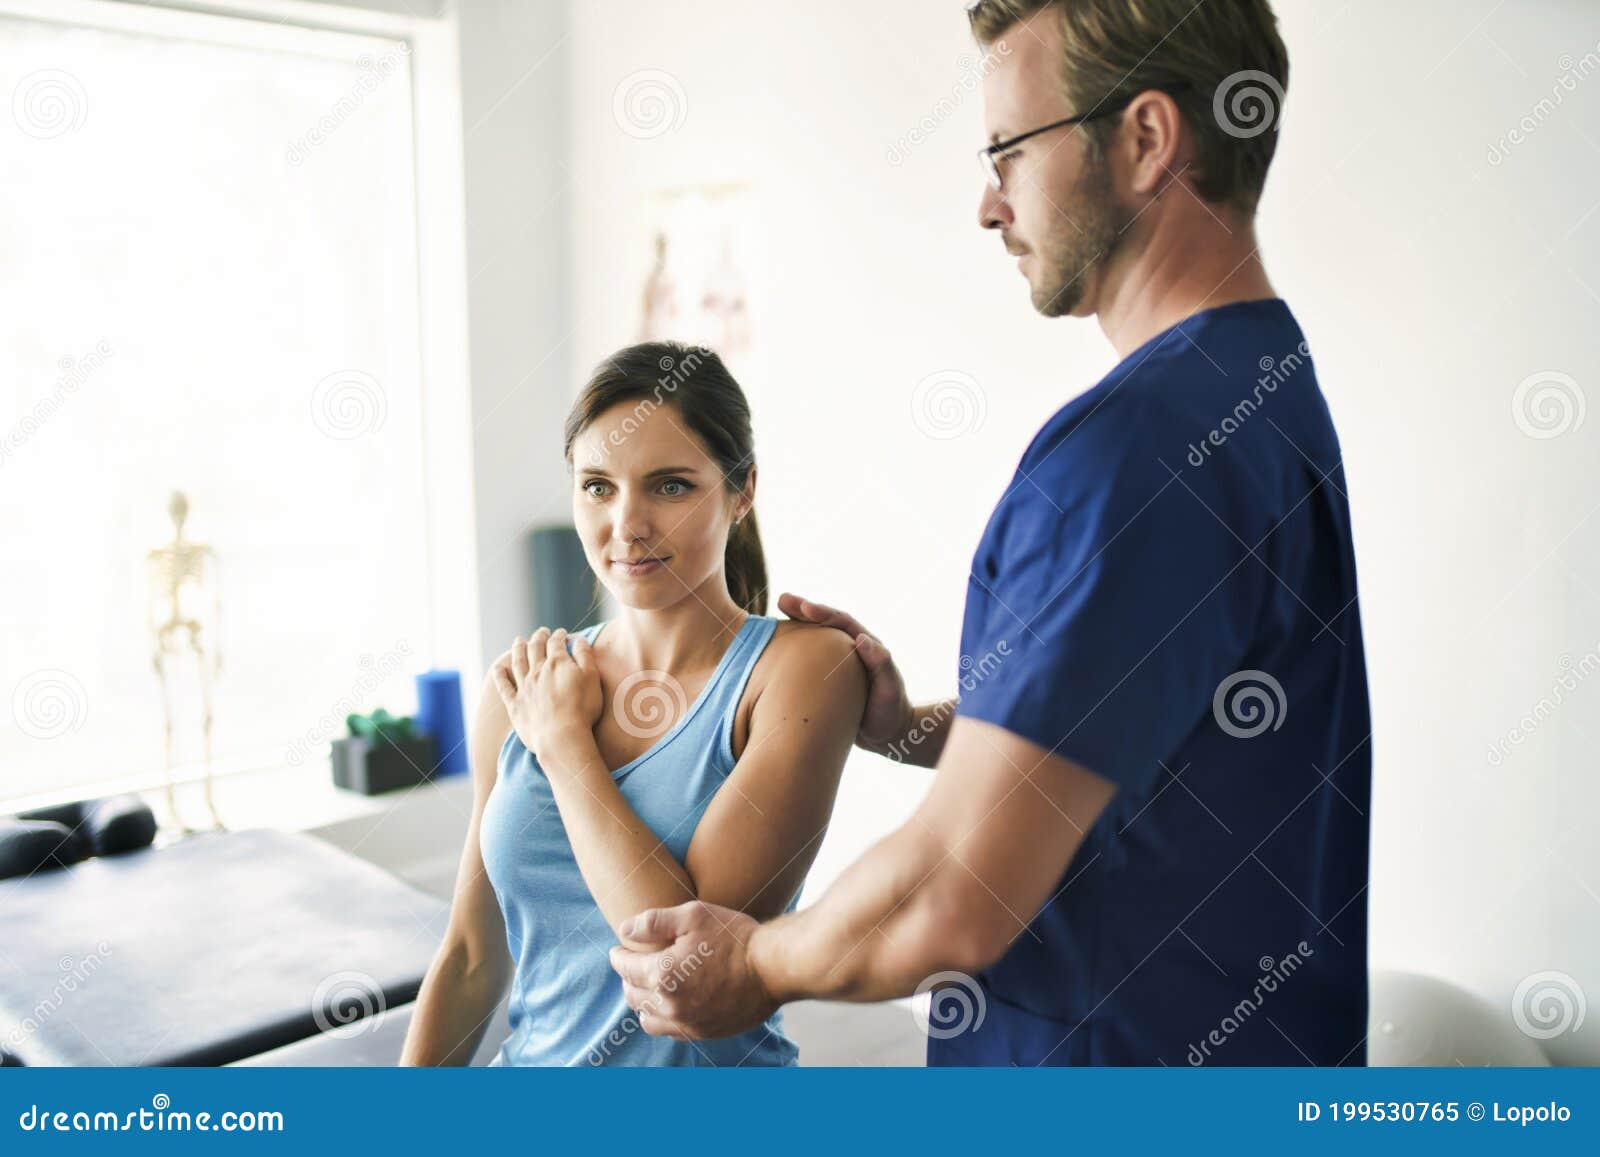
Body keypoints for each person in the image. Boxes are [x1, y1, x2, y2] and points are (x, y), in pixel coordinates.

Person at [611, 0, 1372, 1067]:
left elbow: (949, 896)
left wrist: (756, 963)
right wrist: (923, 731)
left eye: (1008, 151)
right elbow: (1163, 737)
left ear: (1147, 140)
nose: (985, 203)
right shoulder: (1260, 383)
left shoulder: (1136, 450)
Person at [399, 341, 866, 1066]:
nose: (627, 523)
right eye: (597, 486)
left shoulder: (803, 669)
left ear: (741, 491)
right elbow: (468, 957)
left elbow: (680, 965)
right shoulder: (521, 689)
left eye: (670, 486)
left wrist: (564, 745)